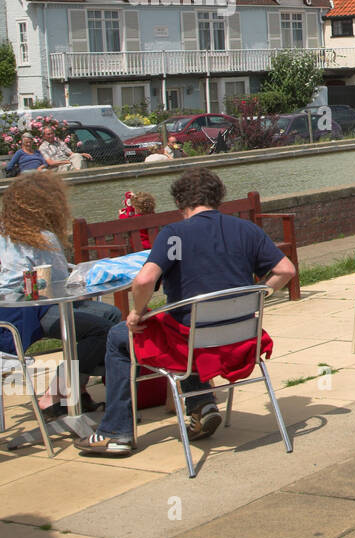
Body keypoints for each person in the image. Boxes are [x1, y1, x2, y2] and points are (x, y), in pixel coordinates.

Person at [76, 167, 296, 457]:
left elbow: (143, 280)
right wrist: (257, 299)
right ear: (218, 197)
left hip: (191, 342)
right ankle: (201, 405)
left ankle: (115, 433)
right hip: (241, 340)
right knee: (181, 325)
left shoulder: (175, 235)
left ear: (180, 203)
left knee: (120, 337)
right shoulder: (246, 230)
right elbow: (286, 270)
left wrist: (136, 313)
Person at [0, 171, 121, 415]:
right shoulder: (40, 235)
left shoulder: (8, 228)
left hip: (19, 306)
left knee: (111, 314)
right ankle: (55, 392)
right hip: (31, 309)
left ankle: (76, 389)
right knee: (102, 329)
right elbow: (57, 279)